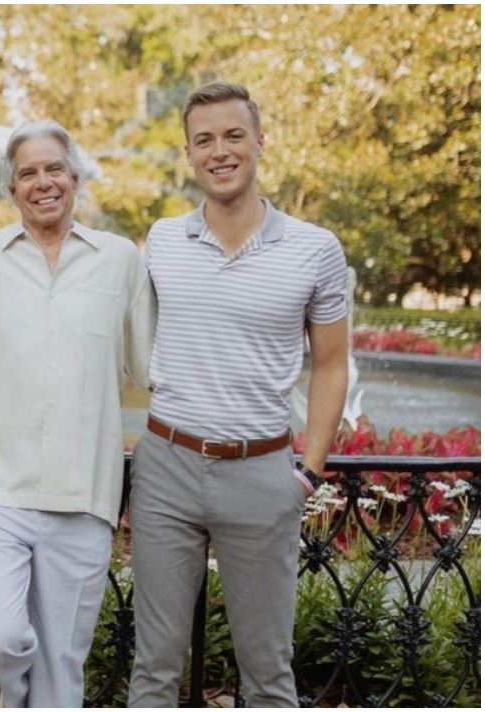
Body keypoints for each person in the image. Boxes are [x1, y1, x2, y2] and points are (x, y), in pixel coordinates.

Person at [126, 81, 349, 707]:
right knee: (154, 668)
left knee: (268, 672)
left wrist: (306, 473)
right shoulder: (162, 240)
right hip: (166, 468)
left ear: (259, 142)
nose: (219, 151)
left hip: (261, 472)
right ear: (189, 154)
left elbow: (332, 365)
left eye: (233, 136)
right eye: (204, 140)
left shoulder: (315, 248)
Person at [0, 120, 155, 708]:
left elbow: (151, 367)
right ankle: (18, 695)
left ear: (75, 178)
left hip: (83, 491)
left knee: (62, 668)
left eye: (54, 168)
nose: (43, 181)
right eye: (27, 173)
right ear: (12, 190)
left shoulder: (119, 261)